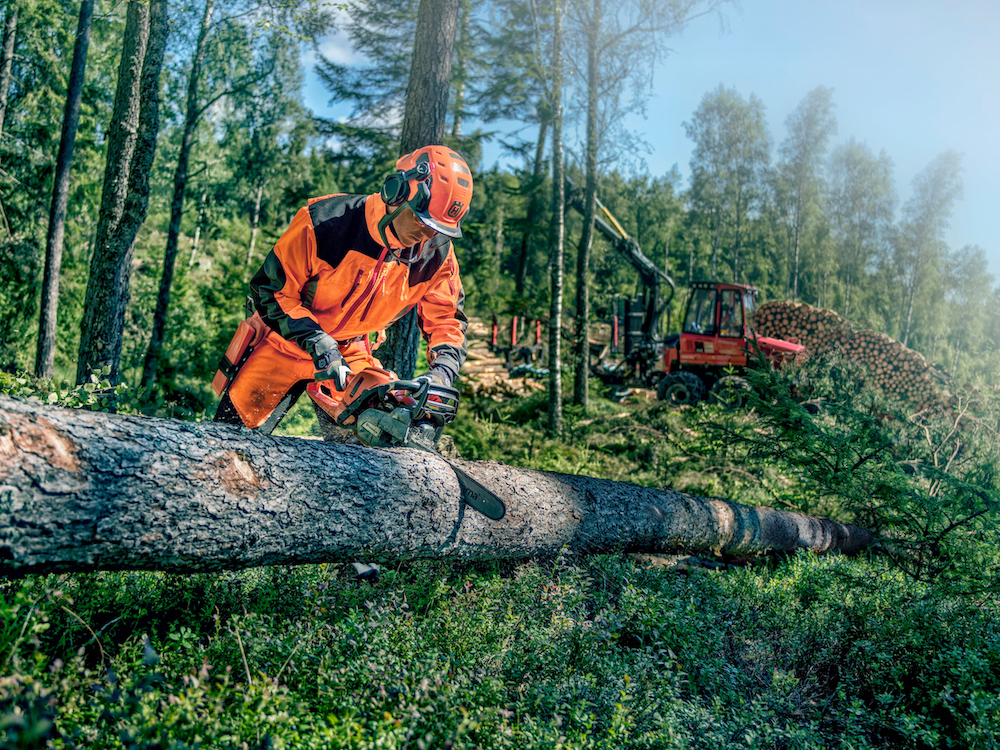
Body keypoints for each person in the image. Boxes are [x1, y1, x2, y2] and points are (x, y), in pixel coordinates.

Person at [213, 145, 474, 435]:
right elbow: (272, 290)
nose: (426, 234)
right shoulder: (327, 221)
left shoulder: (437, 255)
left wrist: (442, 371)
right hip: (285, 344)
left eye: (437, 229)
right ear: (396, 192)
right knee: (232, 442)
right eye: (420, 219)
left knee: (372, 447)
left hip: (352, 354)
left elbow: (447, 321)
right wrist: (318, 342)